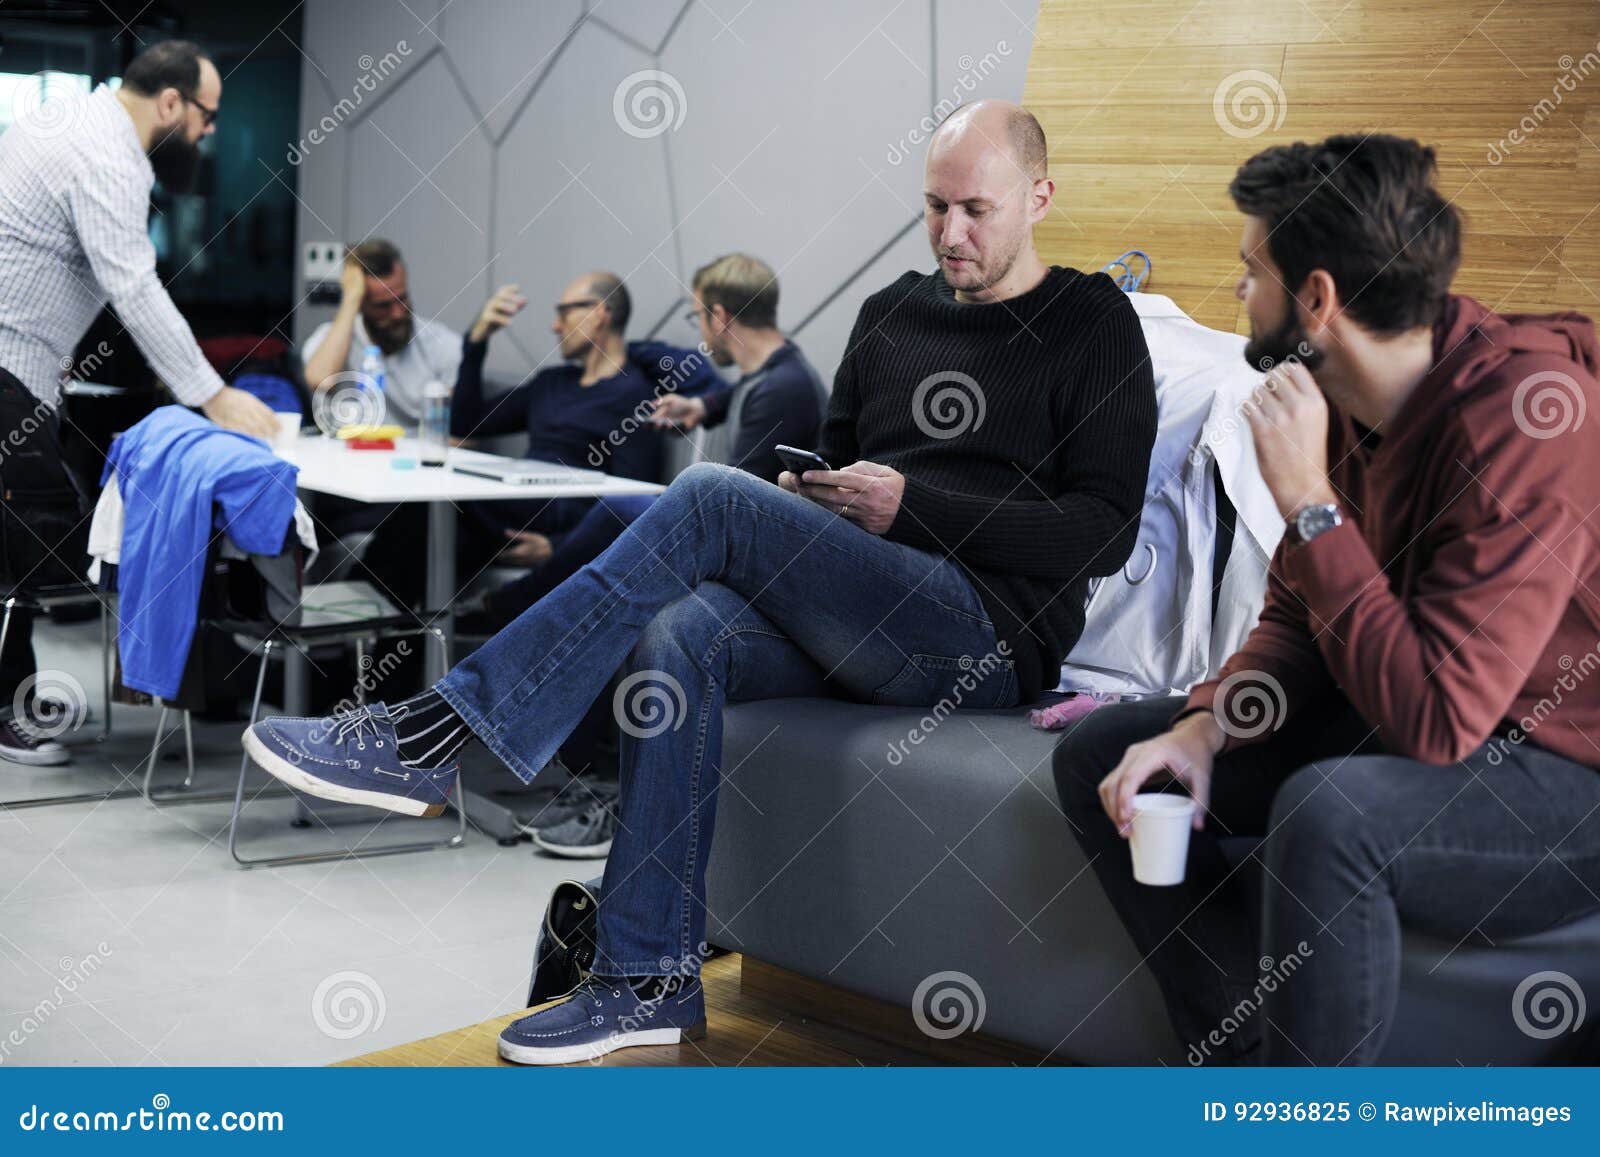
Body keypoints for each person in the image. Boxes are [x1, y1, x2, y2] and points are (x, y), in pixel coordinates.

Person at [243, 99, 1157, 1064]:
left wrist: (911, 509)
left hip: (982, 635)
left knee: (712, 498)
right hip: (861, 607)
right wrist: (810, 493)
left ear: (1041, 197)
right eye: (934, 206)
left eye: (977, 209)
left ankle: (434, 732)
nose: (952, 233)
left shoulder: (1092, 321)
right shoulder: (892, 311)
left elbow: (1104, 533)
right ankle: (646, 976)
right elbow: (831, 468)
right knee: (680, 634)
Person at [1053, 134, 1600, 1066]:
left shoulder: (1528, 422)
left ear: (1317, 298)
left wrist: (1309, 500)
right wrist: (1206, 726)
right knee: (1106, 753)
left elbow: (1439, 719)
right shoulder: (1341, 403)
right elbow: (1297, 616)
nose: (1236, 294)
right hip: (1421, 714)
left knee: (1330, 812)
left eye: (1249, 271)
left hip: (1561, 775)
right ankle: (1244, 1059)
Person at [0, 39, 276, 767]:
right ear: (171, 102)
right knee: (27, 542)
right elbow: (134, 287)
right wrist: (212, 394)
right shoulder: (107, 157)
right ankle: (9, 710)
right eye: (208, 115)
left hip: (21, 368)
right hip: (5, 365)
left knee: (19, 535)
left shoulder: (71, 120)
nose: (210, 132)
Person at [471, 252, 826, 633]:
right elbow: (732, 395)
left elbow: (731, 505)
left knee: (628, 509)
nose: (702, 333)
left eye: (698, 318)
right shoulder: (772, 378)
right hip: (736, 539)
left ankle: (508, 609)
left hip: (750, 560)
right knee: (626, 513)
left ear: (719, 317)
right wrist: (700, 405)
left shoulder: (780, 390)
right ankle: (508, 612)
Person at [301, 238, 511, 431]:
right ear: (361, 304)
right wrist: (350, 300)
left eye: (402, 298)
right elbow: (321, 380)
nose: (398, 313)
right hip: (349, 459)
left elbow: (465, 431)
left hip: (413, 463)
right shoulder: (334, 337)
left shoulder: (439, 343)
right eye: (382, 306)